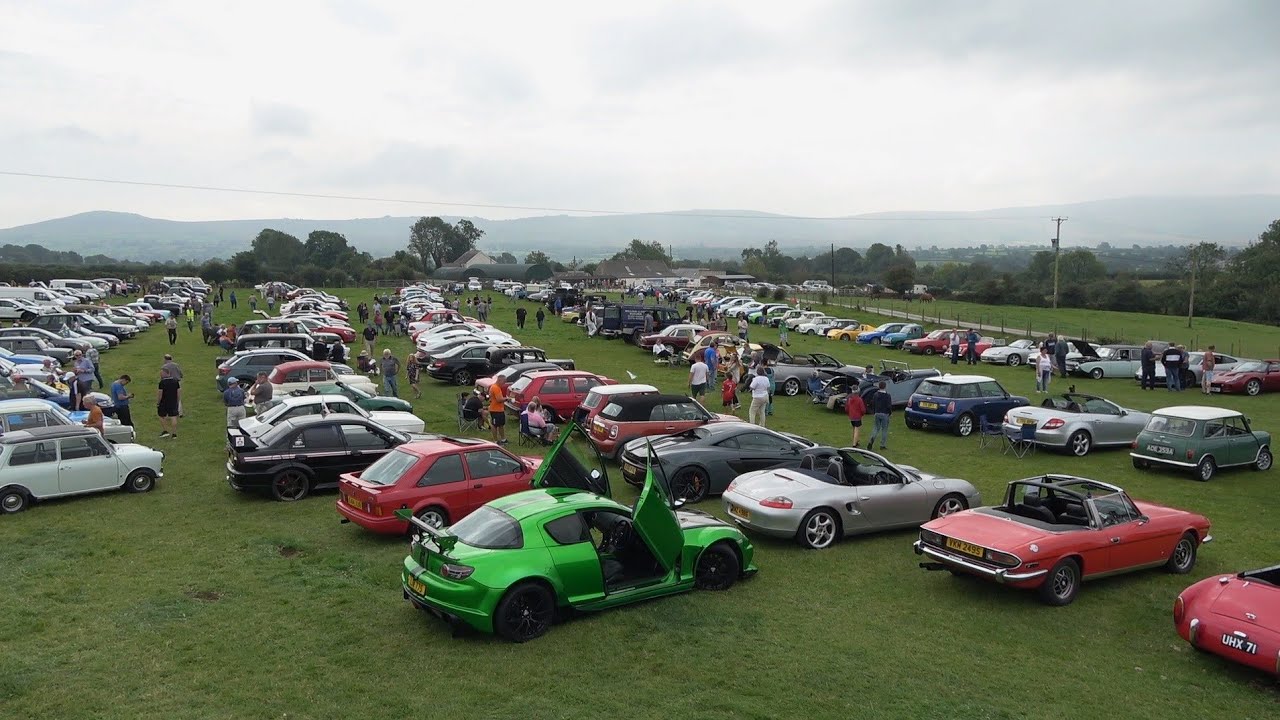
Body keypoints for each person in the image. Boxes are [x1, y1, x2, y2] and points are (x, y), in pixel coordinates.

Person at [157, 366, 181, 438]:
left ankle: (165, 430)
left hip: (164, 402)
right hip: (173, 401)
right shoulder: (175, 381)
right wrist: (177, 400)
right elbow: (178, 392)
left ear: (166, 373)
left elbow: (160, 393)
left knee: (161, 416)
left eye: (161, 373)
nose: (160, 375)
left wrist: (158, 402)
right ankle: (174, 434)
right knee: (173, 417)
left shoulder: (162, 382)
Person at [867, 381, 892, 451]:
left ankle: (871, 441)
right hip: (885, 414)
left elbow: (873, 404)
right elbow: (889, 406)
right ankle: (882, 445)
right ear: (885, 387)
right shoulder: (887, 396)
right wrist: (890, 413)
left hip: (877, 413)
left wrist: (874, 412)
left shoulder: (875, 394)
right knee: (884, 430)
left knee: (876, 428)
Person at [488, 377, 509, 444]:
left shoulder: (494, 387)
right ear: (499, 380)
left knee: (501, 425)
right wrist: (507, 399)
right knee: (495, 425)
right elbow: (499, 399)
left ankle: (503, 439)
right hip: (495, 410)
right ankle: (496, 440)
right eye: (503, 382)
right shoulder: (495, 388)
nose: (504, 384)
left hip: (499, 409)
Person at [846, 382, 867, 447]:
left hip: (851, 417)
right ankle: (854, 444)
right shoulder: (859, 399)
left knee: (854, 429)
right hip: (857, 416)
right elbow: (863, 409)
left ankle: (856, 440)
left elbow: (847, 408)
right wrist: (863, 413)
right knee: (857, 429)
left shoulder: (849, 399)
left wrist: (848, 413)